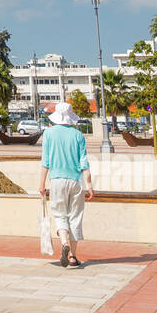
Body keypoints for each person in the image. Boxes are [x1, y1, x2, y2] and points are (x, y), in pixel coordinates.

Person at [38, 101, 93, 268]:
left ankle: (64, 243)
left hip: (56, 180)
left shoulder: (48, 134)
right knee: (75, 217)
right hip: (76, 181)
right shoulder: (78, 135)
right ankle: (73, 257)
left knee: (60, 215)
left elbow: (45, 161)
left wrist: (41, 184)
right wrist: (90, 186)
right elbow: (84, 163)